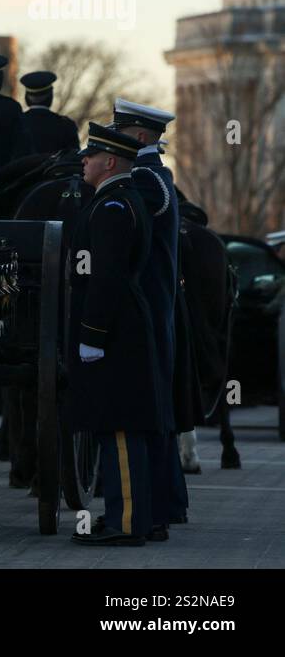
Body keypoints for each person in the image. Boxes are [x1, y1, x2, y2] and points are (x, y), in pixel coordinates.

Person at [68, 123, 164, 546]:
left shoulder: (111, 207)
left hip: (115, 328)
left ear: (109, 162)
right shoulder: (116, 201)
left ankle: (126, 524)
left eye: (90, 156)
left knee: (120, 426)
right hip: (122, 324)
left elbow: (104, 278)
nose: (83, 161)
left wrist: (92, 334)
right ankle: (134, 517)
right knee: (120, 427)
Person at [112, 98, 187, 536]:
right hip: (157, 307)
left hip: (148, 308)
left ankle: (154, 505)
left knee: (150, 409)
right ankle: (167, 501)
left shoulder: (143, 179)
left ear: (139, 137)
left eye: (118, 132)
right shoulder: (154, 176)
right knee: (156, 407)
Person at [19, 71, 80, 155]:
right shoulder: (66, 125)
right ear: (50, 96)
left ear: (26, 97)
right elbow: (74, 159)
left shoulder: (16, 122)